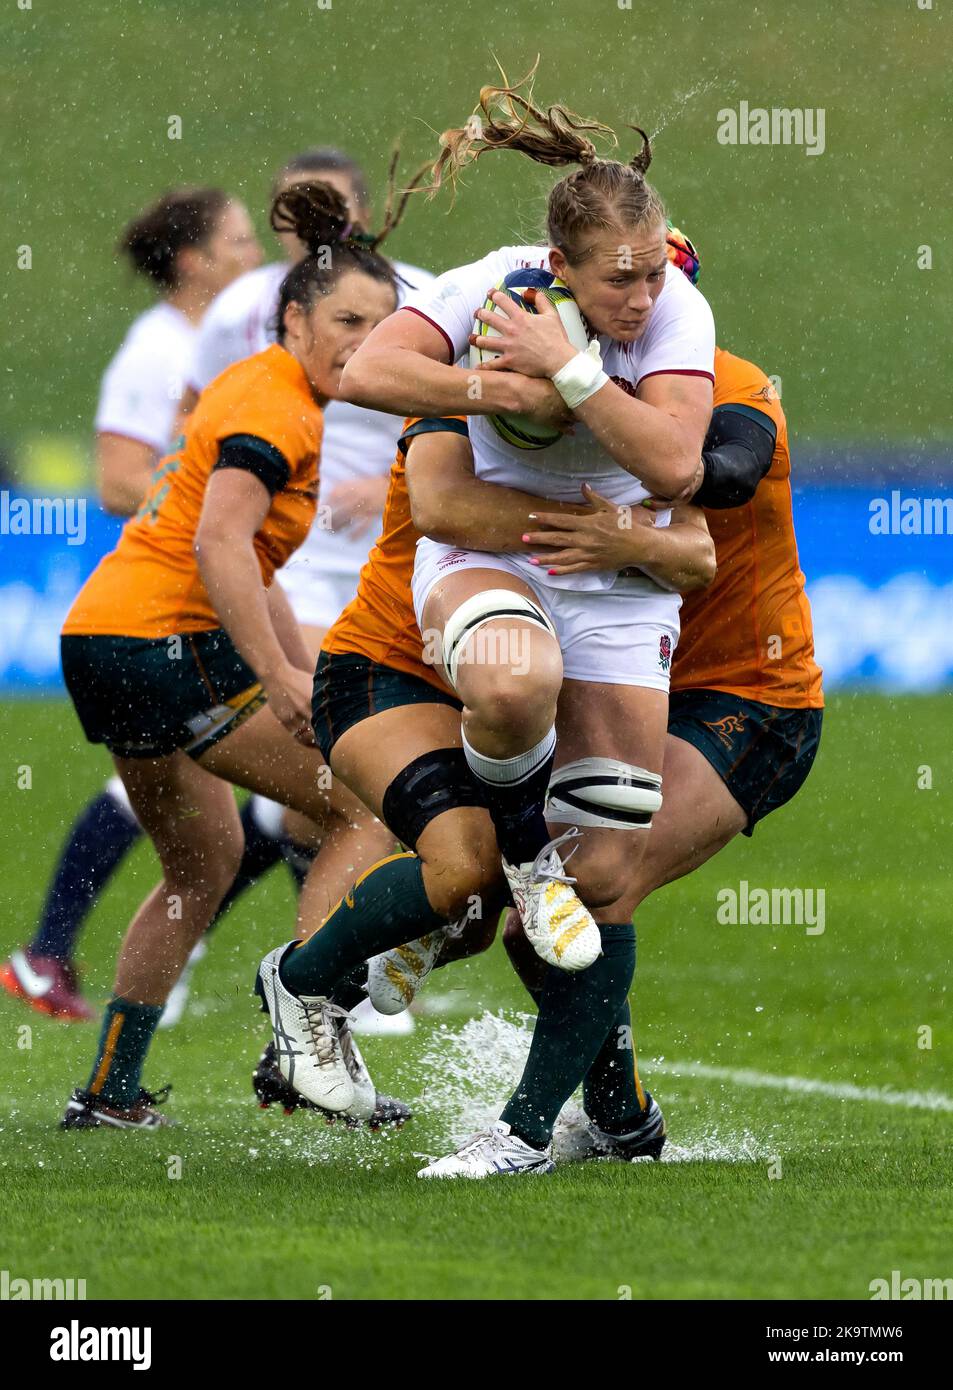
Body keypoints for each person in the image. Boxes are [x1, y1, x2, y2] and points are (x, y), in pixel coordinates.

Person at [253, 70, 717, 1170]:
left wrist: (569, 375)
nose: (642, 299)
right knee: (510, 689)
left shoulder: (677, 314)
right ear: (554, 268)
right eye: (618, 281)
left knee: (602, 880)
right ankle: (516, 1116)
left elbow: (680, 468)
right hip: (483, 571)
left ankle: (599, 1110)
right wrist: (498, 391)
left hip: (615, 594)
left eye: (654, 273)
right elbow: (389, 405)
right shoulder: (480, 293)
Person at [57, 183, 404, 1130]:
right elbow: (218, 549)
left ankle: (110, 1092)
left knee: (201, 862)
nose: (364, 342)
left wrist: (302, 669)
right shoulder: (279, 409)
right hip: (163, 638)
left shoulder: (266, 391)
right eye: (344, 320)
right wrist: (284, 679)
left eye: (383, 328)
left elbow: (250, 564)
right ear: (291, 318)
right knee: (359, 809)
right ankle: (304, 1045)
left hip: (104, 640)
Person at [1, 188, 262, 1022]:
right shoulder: (156, 353)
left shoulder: (225, 341)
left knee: (271, 793)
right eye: (237, 239)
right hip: (176, 603)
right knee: (283, 789)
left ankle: (71, 958)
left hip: (222, 590)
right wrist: (222, 497)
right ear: (193, 262)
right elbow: (117, 481)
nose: (253, 255)